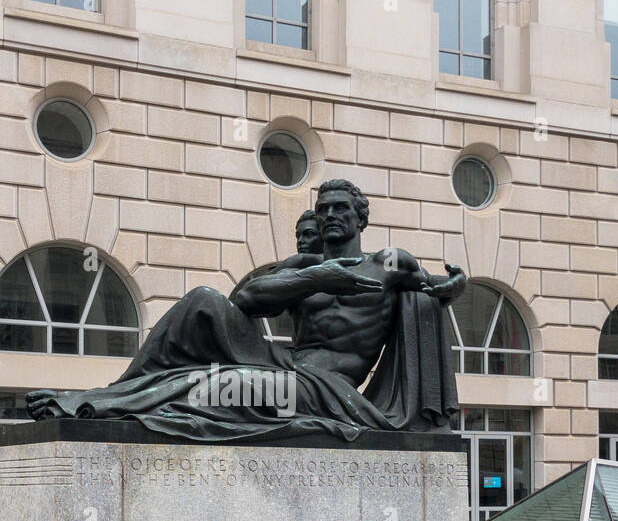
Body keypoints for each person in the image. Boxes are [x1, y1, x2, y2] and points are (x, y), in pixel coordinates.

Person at [23, 179, 467, 441]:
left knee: (222, 384)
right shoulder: (303, 266)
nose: (332, 215)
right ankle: (105, 397)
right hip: (286, 364)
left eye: (342, 209)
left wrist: (455, 284)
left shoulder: (389, 262)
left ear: (360, 218)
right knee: (202, 301)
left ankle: (95, 409)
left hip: (330, 387)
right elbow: (245, 304)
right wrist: (320, 277)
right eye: (324, 209)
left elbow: (434, 292)